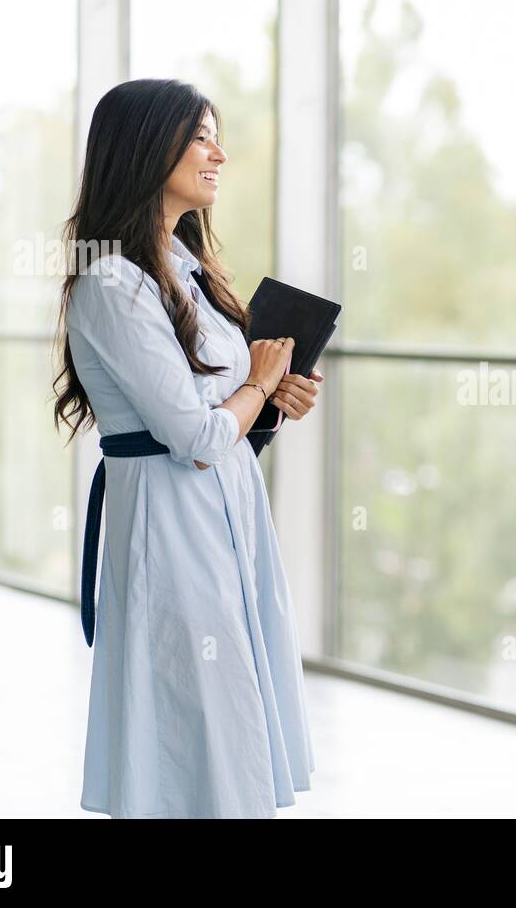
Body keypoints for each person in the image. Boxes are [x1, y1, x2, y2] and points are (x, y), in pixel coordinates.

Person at [52, 78, 320, 818]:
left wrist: (273, 402)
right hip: (170, 527)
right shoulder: (112, 282)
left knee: (226, 723)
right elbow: (195, 436)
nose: (219, 154)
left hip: (225, 517)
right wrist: (258, 388)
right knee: (190, 724)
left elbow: (225, 420)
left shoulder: (188, 269)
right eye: (201, 137)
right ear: (147, 148)